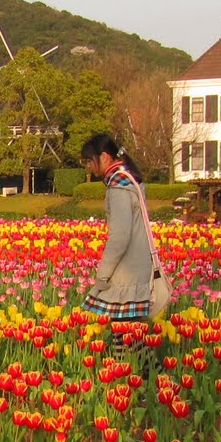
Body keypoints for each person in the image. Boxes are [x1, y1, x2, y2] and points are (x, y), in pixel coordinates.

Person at [81, 132, 161, 323]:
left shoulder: (118, 187)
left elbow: (120, 237)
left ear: (104, 157)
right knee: (136, 340)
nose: (88, 166)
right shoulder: (131, 180)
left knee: (125, 341)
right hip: (139, 269)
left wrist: (103, 275)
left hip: (127, 276)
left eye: (89, 161)